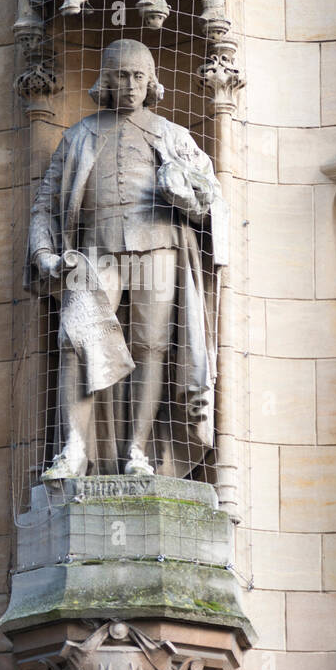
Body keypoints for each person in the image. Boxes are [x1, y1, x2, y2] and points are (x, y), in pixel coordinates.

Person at [25, 38, 226, 480]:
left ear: (151, 80)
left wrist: (186, 194)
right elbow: (44, 202)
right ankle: (74, 449)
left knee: (151, 346)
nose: (131, 84)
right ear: (106, 79)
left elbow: (210, 199)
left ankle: (138, 451)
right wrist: (43, 254)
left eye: (139, 76)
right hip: (94, 252)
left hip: (158, 248)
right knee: (75, 340)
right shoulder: (79, 135)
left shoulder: (172, 135)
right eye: (121, 74)